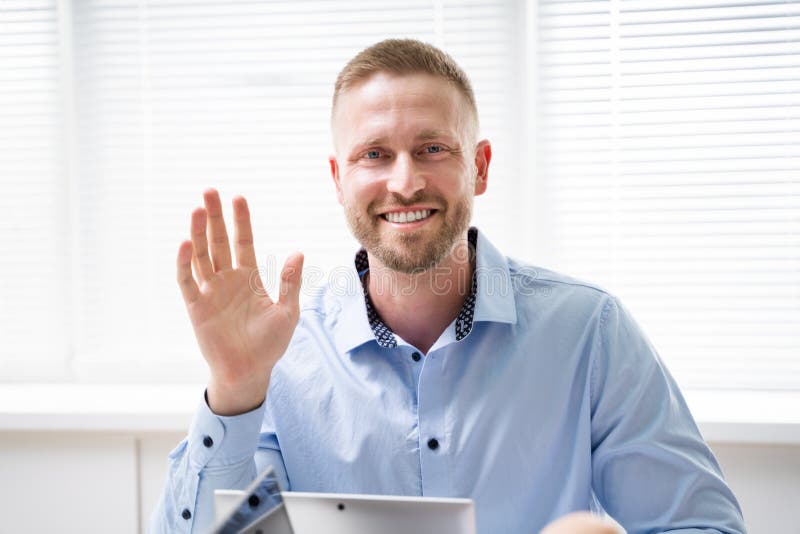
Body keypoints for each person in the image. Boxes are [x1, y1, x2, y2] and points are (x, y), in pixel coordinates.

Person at [149, 39, 746, 534]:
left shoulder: (590, 333)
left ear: (479, 167)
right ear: (338, 178)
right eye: (374, 154)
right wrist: (234, 389)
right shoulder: (281, 357)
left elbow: (703, 526)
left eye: (432, 148)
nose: (405, 183)